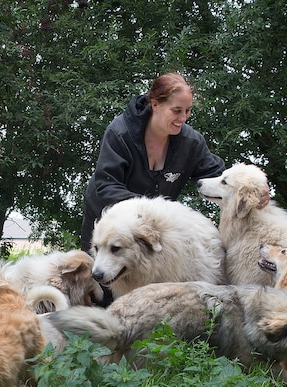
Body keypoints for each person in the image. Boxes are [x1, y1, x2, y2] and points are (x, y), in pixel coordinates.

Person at [80, 71, 225, 252]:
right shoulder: (120, 133)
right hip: (106, 225)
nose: (183, 118)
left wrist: (249, 187)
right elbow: (106, 186)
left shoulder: (191, 142)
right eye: (176, 111)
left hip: (150, 232)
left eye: (187, 111)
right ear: (155, 104)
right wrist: (156, 210)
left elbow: (219, 178)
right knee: (101, 278)